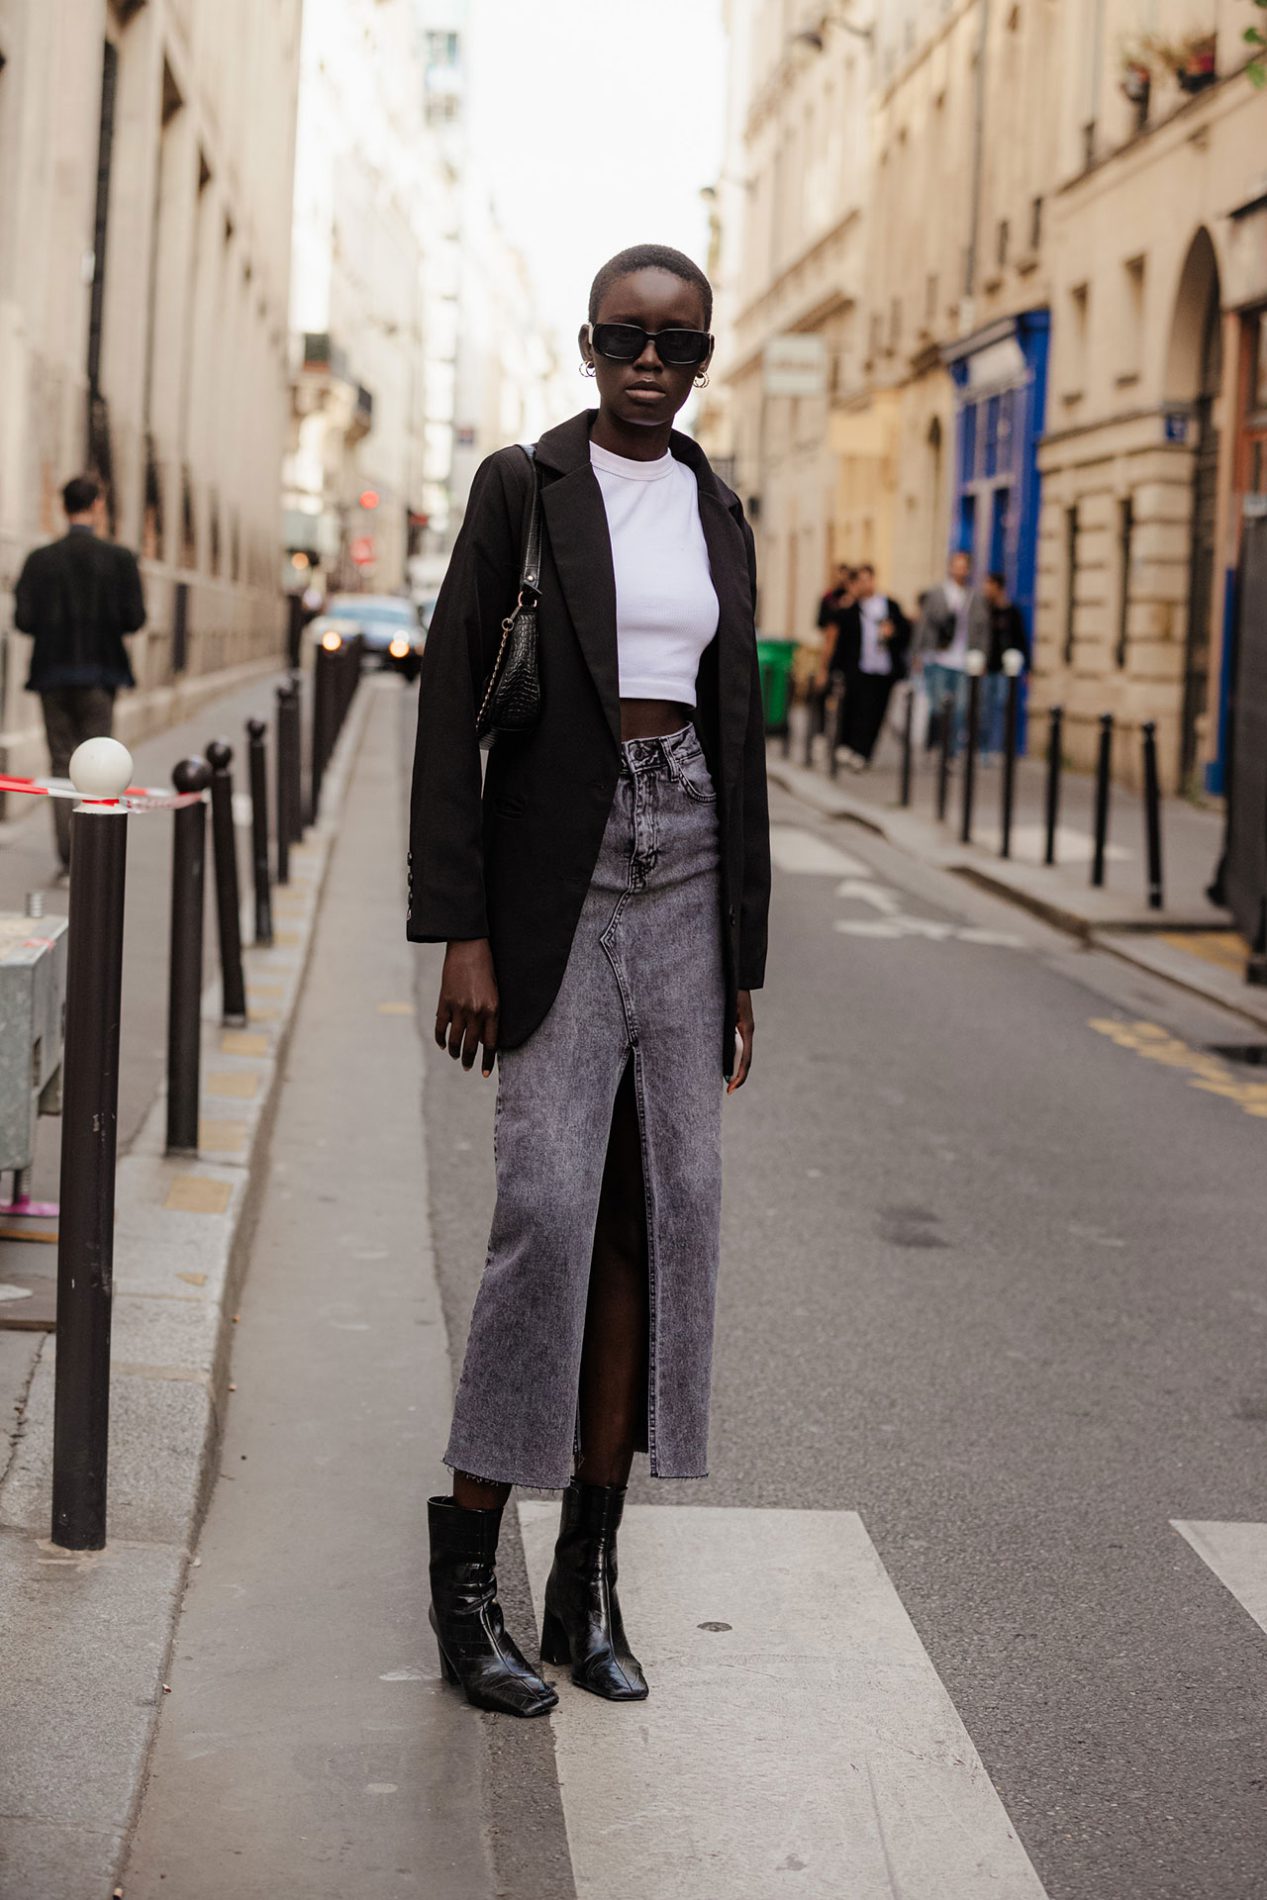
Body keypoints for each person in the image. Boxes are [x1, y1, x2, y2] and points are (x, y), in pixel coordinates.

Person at [407, 244, 770, 1717]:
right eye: (626, 337)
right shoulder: (521, 487)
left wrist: (740, 960)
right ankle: (466, 1578)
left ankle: (590, 1579)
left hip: (685, 864)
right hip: (554, 866)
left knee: (660, 1212)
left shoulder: (716, 504)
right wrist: (464, 931)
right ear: (583, 343)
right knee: (547, 1212)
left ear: (700, 361)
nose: (649, 362)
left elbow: (736, 733)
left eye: (676, 345)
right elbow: (447, 709)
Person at [14, 475, 144, 871]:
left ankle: (69, 856)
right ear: (98, 506)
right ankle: (92, 857)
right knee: (99, 766)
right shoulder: (119, 559)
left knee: (60, 762)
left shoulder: (41, 560)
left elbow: (24, 619)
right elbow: (134, 618)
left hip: (53, 674)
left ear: (63, 507)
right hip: (100, 675)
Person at [827, 563, 912, 770]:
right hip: (859, 668)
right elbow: (839, 638)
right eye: (860, 581)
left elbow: (906, 633)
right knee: (854, 707)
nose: (865, 584)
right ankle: (848, 746)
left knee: (876, 712)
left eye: (868, 579)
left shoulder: (890, 605)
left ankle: (864, 753)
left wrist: (893, 633)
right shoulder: (851, 609)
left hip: (884, 670)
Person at [916, 549, 989, 755]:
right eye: (956, 566)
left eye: (964, 567)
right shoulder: (937, 593)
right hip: (938, 657)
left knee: (960, 708)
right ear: (950, 568)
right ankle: (935, 744)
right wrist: (918, 654)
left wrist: (981, 656)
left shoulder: (974, 597)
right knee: (938, 706)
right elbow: (924, 624)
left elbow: (983, 629)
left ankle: (950, 751)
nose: (960, 571)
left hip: (963, 660)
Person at [981, 571, 1030, 759]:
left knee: (1001, 707)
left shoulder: (1012, 612)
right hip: (986, 667)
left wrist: (1027, 668)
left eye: (990, 585)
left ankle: (997, 748)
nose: (986, 590)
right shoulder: (985, 610)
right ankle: (984, 747)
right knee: (984, 707)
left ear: (998, 587)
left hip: (1006, 669)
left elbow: (1021, 639)